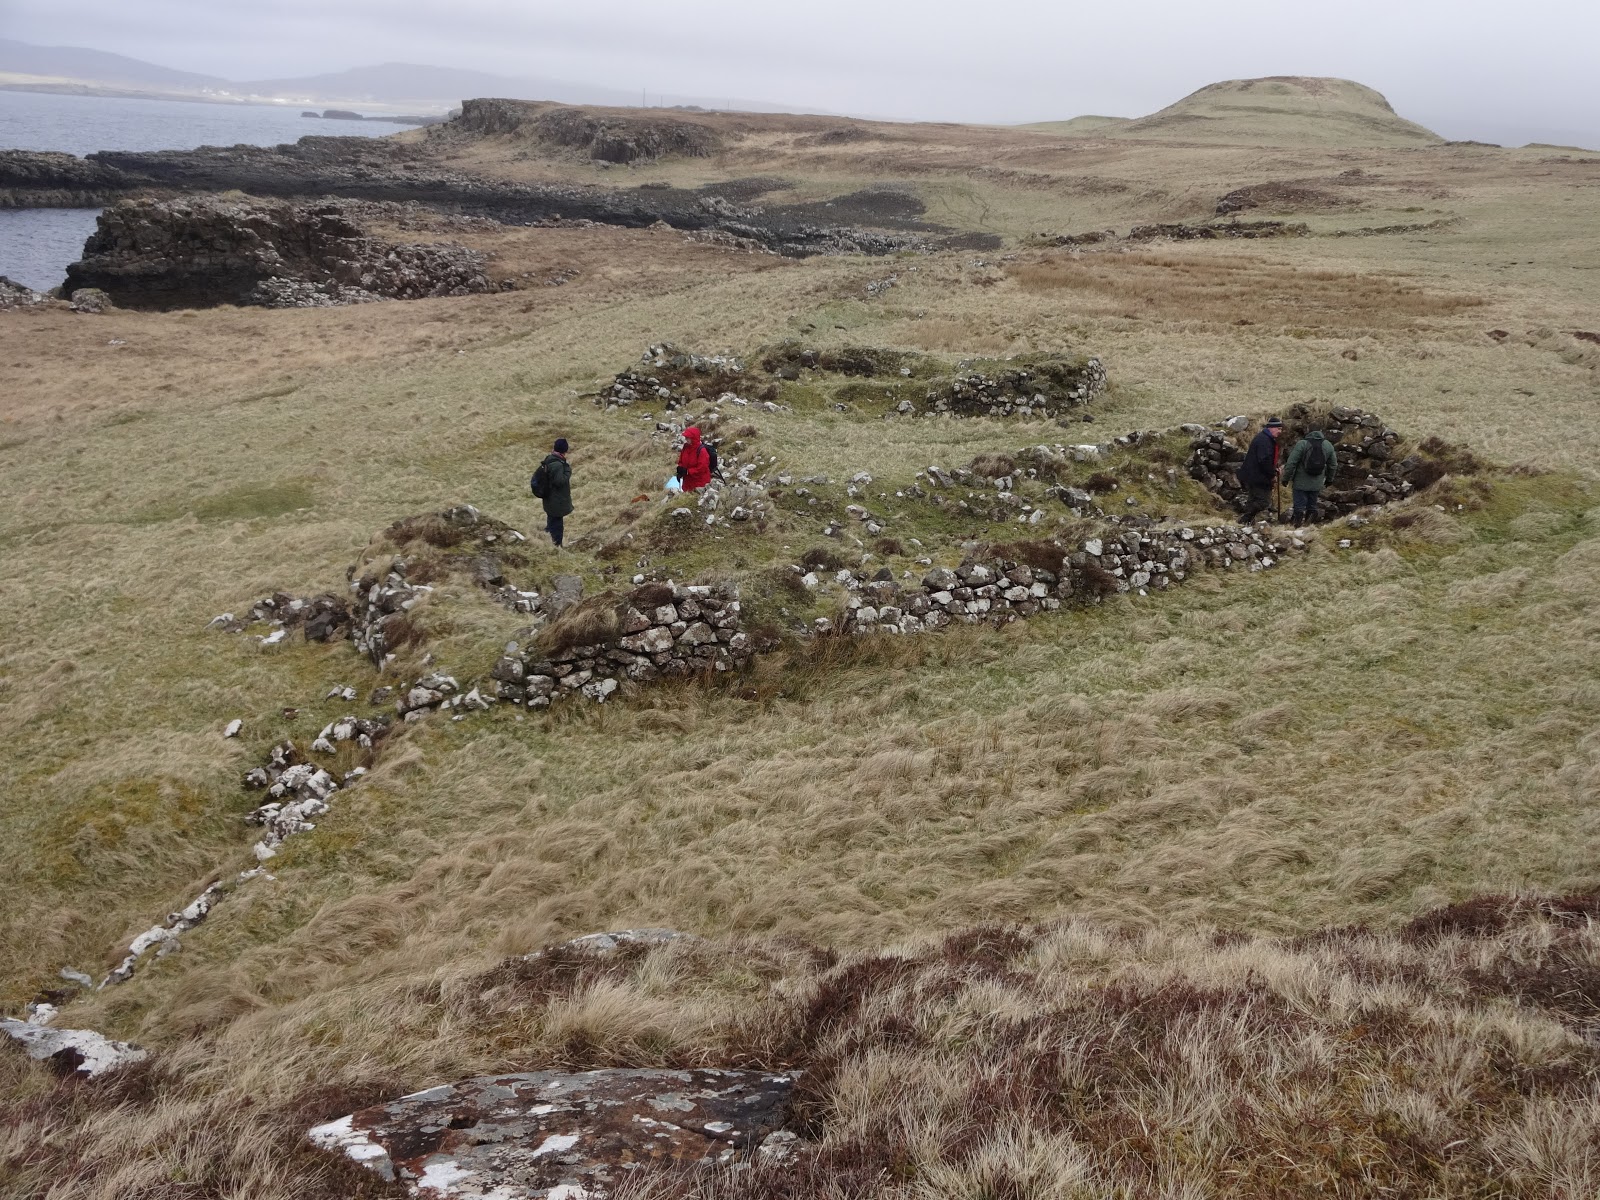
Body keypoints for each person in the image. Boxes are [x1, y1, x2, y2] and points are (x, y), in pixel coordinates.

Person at [1280, 427, 1337, 527]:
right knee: (1312, 505)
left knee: (1299, 506)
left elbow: (1291, 463)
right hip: (1317, 483)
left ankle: (1296, 526)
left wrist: (1286, 478)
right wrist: (1329, 480)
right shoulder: (1328, 445)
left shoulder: (1302, 444)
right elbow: (1333, 465)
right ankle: (1308, 526)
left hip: (1300, 482)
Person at [1237, 417, 1283, 522]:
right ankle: (1245, 519)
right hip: (1259, 477)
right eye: (1278, 429)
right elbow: (1264, 461)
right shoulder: (1265, 441)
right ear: (1271, 428)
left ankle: (1247, 522)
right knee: (1263, 502)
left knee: (1253, 499)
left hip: (1252, 475)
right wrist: (1273, 473)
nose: (1280, 432)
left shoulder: (1263, 438)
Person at [534, 437, 572, 548]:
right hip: (556, 501)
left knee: (551, 521)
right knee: (557, 526)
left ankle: (546, 540)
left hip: (549, 499)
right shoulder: (558, 465)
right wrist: (568, 471)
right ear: (565, 450)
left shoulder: (550, 459)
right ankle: (557, 546)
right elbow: (559, 481)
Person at [676, 426, 712, 491]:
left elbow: (702, 469)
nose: (686, 439)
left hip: (699, 485)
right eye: (685, 437)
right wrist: (680, 470)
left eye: (688, 437)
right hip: (687, 483)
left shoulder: (702, 451)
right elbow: (681, 461)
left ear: (693, 438)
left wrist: (687, 471)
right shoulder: (686, 447)